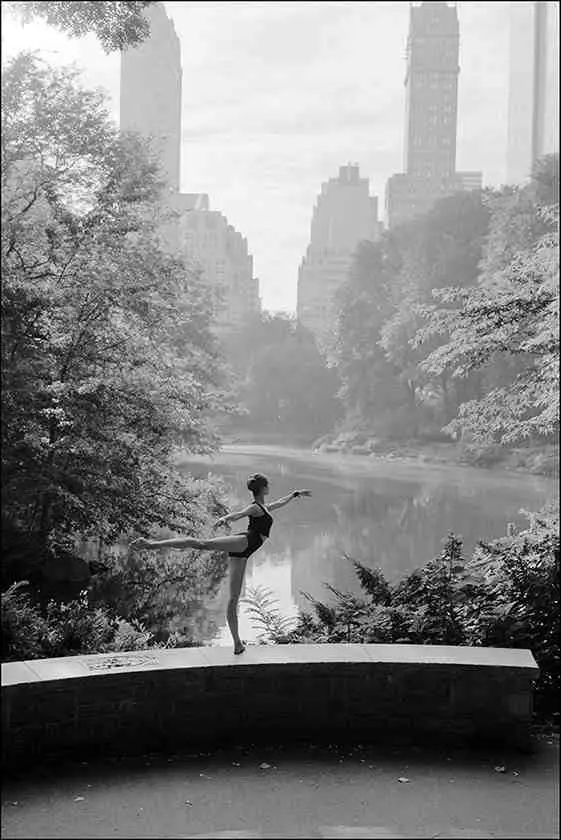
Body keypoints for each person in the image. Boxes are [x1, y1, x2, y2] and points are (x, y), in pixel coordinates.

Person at [130, 473, 312, 655]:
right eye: (268, 485)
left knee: (233, 598)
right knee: (202, 544)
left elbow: (279, 503)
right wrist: (226, 518)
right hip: (246, 542)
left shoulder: (264, 507)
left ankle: (237, 644)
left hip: (244, 553)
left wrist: (295, 495)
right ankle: (151, 545)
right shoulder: (255, 507)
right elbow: (241, 514)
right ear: (263, 488)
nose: (269, 487)